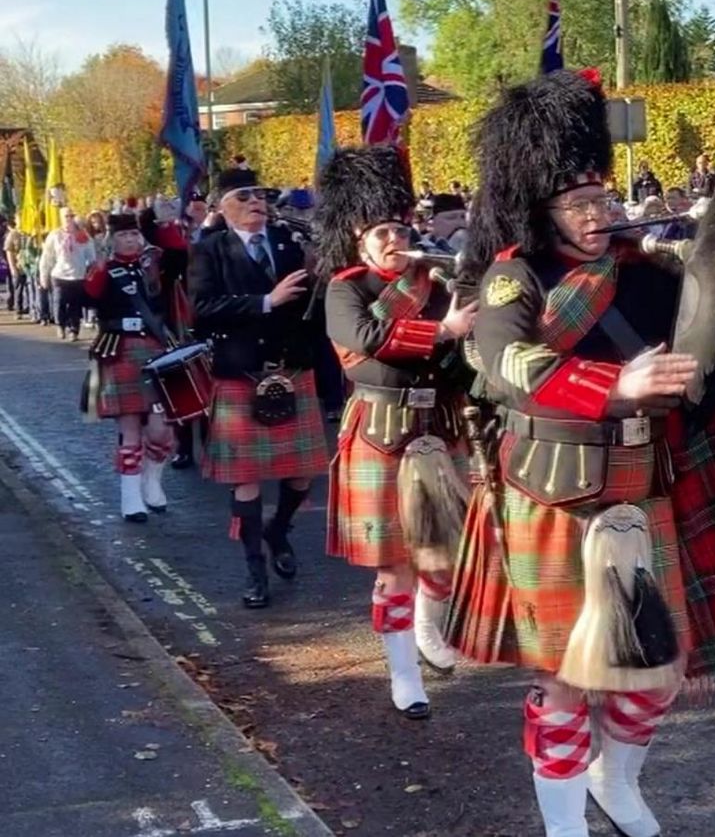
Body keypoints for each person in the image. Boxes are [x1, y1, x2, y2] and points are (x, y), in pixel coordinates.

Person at [447, 70, 715, 837]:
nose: (599, 212)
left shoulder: (647, 271)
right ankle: (564, 821)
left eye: (604, 198)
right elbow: (506, 365)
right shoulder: (516, 276)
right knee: (567, 680)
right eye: (580, 202)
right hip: (552, 495)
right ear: (542, 207)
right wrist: (617, 381)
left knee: (657, 670)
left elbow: (713, 336)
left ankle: (618, 778)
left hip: (644, 487)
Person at [314, 146, 478, 718]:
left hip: (439, 424)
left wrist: (464, 342)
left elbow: (457, 359)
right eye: (380, 230)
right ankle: (403, 674)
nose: (392, 238)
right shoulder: (344, 287)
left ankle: (430, 633)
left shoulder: (434, 279)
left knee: (443, 555)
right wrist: (443, 331)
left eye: (398, 226)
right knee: (395, 566)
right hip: (380, 431)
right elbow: (367, 345)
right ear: (359, 238)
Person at [189, 168, 329, 610]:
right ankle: (255, 571)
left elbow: (314, 304)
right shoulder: (210, 250)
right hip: (242, 375)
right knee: (245, 481)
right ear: (221, 206)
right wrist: (266, 302)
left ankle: (278, 529)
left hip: (291, 370)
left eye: (262, 196)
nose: (257, 203)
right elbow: (202, 310)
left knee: (302, 472)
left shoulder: (290, 241)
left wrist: (320, 276)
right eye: (245, 196)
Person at [81, 214, 177, 522]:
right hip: (119, 349)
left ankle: (152, 480)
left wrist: (163, 220)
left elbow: (179, 250)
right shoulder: (105, 270)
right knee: (130, 428)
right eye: (123, 235)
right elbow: (90, 295)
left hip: (157, 349)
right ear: (112, 239)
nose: (130, 239)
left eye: (134, 234)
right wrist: (95, 267)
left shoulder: (156, 266)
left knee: (163, 431)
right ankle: (130, 497)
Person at [39, 207, 96, 341]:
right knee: (59, 301)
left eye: (71, 215)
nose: (69, 219)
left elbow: (91, 254)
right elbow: (47, 257)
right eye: (66, 216)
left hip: (78, 275)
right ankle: (60, 325)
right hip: (59, 275)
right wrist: (44, 275)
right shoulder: (55, 235)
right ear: (61, 218)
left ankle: (74, 329)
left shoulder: (83, 235)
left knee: (75, 304)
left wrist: (92, 268)